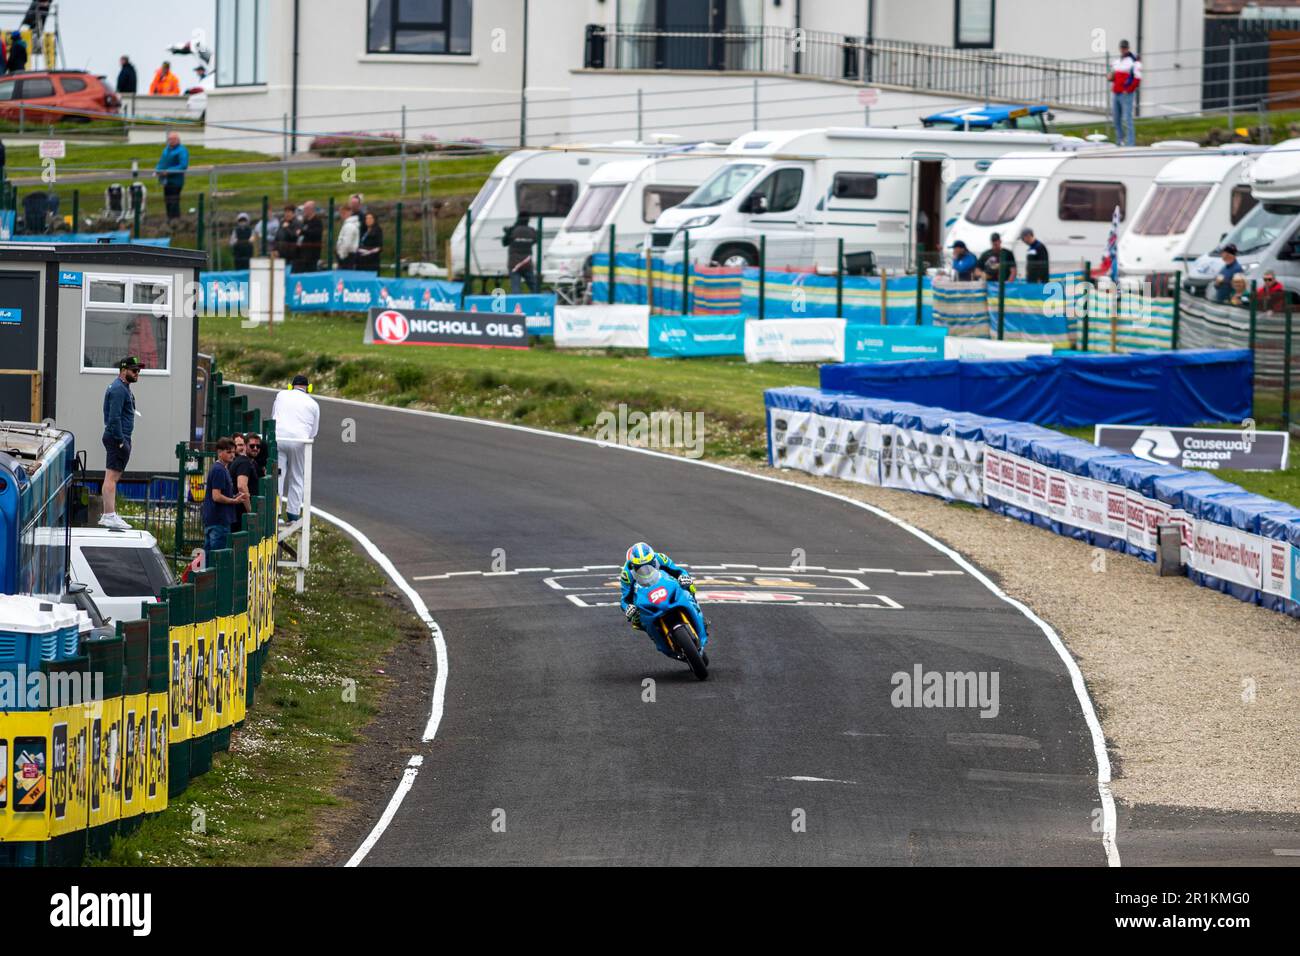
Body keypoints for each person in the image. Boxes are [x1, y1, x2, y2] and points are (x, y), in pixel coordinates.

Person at [619, 542, 706, 659]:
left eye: (649, 564)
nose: (645, 569)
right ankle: (655, 637)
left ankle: (696, 608)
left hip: (664, 585)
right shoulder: (626, 574)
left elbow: (679, 571)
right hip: (644, 594)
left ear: (652, 559)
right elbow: (625, 599)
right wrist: (628, 608)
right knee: (636, 620)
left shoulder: (660, 558)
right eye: (639, 567)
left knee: (688, 586)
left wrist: (684, 577)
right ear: (632, 565)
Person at [270, 374, 320, 522]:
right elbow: (314, 431)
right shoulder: (313, 404)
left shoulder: (281, 395)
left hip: (279, 438)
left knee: (277, 476)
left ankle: (276, 514)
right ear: (309, 388)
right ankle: (293, 515)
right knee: (297, 477)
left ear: (291, 386)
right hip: (299, 440)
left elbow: (273, 416)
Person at [100, 356, 142, 531]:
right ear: (124, 370)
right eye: (134, 370)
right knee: (111, 477)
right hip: (117, 437)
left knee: (113, 477)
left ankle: (110, 513)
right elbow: (114, 417)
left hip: (120, 436)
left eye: (138, 370)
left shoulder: (123, 388)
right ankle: (109, 515)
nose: (137, 373)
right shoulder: (119, 389)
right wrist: (120, 442)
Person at [201, 438, 247, 555]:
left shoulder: (222, 468)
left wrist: (234, 496)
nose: (232, 455)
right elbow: (216, 496)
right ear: (219, 452)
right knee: (218, 558)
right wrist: (234, 501)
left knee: (210, 558)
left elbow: (220, 494)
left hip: (216, 520)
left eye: (233, 452)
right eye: (229, 452)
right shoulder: (219, 470)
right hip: (219, 521)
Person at [1111, 40, 1141, 148]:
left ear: (1128, 48)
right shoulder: (1117, 61)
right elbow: (1114, 77)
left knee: (1127, 119)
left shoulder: (1134, 61)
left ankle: (1130, 144)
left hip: (1126, 94)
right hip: (1116, 93)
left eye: (1125, 48)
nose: (1123, 49)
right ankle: (1119, 141)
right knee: (1116, 119)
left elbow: (1137, 78)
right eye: (1122, 48)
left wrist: (1128, 89)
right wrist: (1110, 77)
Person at [155, 131, 189, 222]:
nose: (171, 141)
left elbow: (183, 165)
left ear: (178, 140)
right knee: (167, 200)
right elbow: (161, 162)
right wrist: (157, 170)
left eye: (173, 139)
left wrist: (168, 171)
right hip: (166, 181)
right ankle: (169, 219)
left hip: (176, 181)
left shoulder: (182, 150)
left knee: (174, 201)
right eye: (170, 139)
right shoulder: (166, 150)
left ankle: (176, 220)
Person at [229, 433, 260, 526]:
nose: (255, 448)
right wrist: (251, 511)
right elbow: (242, 487)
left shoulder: (247, 462)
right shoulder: (244, 462)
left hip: (238, 513)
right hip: (241, 515)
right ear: (245, 446)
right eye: (252, 446)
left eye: (258, 446)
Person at [503, 214, 537, 293]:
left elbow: (504, 243)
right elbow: (535, 241)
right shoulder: (532, 230)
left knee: (515, 286)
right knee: (534, 286)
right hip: (527, 262)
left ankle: (517, 300)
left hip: (514, 263)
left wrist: (507, 233)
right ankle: (538, 300)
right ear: (528, 220)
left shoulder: (512, 230)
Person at [297, 200, 323, 272]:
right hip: (303, 253)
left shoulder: (317, 221)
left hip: (312, 254)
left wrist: (302, 232)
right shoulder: (305, 221)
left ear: (311, 209)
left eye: (306, 208)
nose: (304, 211)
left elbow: (315, 234)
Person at [336, 203, 360, 269]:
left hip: (347, 257)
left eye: (343, 213)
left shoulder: (349, 226)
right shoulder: (347, 225)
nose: (341, 215)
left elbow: (347, 243)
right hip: (347, 256)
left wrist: (341, 256)